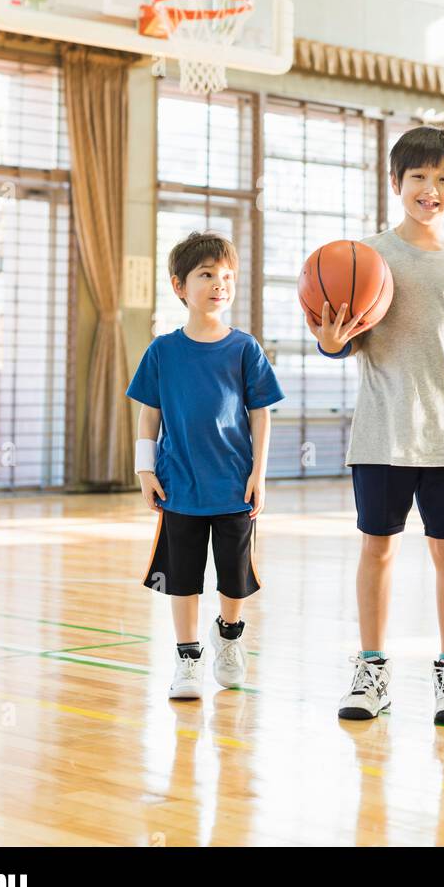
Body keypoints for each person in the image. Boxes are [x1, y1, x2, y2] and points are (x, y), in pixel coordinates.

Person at [308, 126, 444, 725]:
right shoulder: (360, 258)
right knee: (378, 550)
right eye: (419, 177)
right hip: (380, 433)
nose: (431, 188)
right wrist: (331, 343)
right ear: (396, 183)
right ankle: (372, 670)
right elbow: (341, 342)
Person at [127, 230, 284, 700]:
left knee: (234, 577)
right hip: (180, 487)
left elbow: (260, 413)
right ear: (179, 286)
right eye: (207, 274)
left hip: (233, 486)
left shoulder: (244, 348)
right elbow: (148, 412)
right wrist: (144, 469)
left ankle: (230, 637)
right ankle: (187, 658)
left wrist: (258, 473)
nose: (220, 283)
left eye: (227, 276)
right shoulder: (162, 351)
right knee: (183, 576)